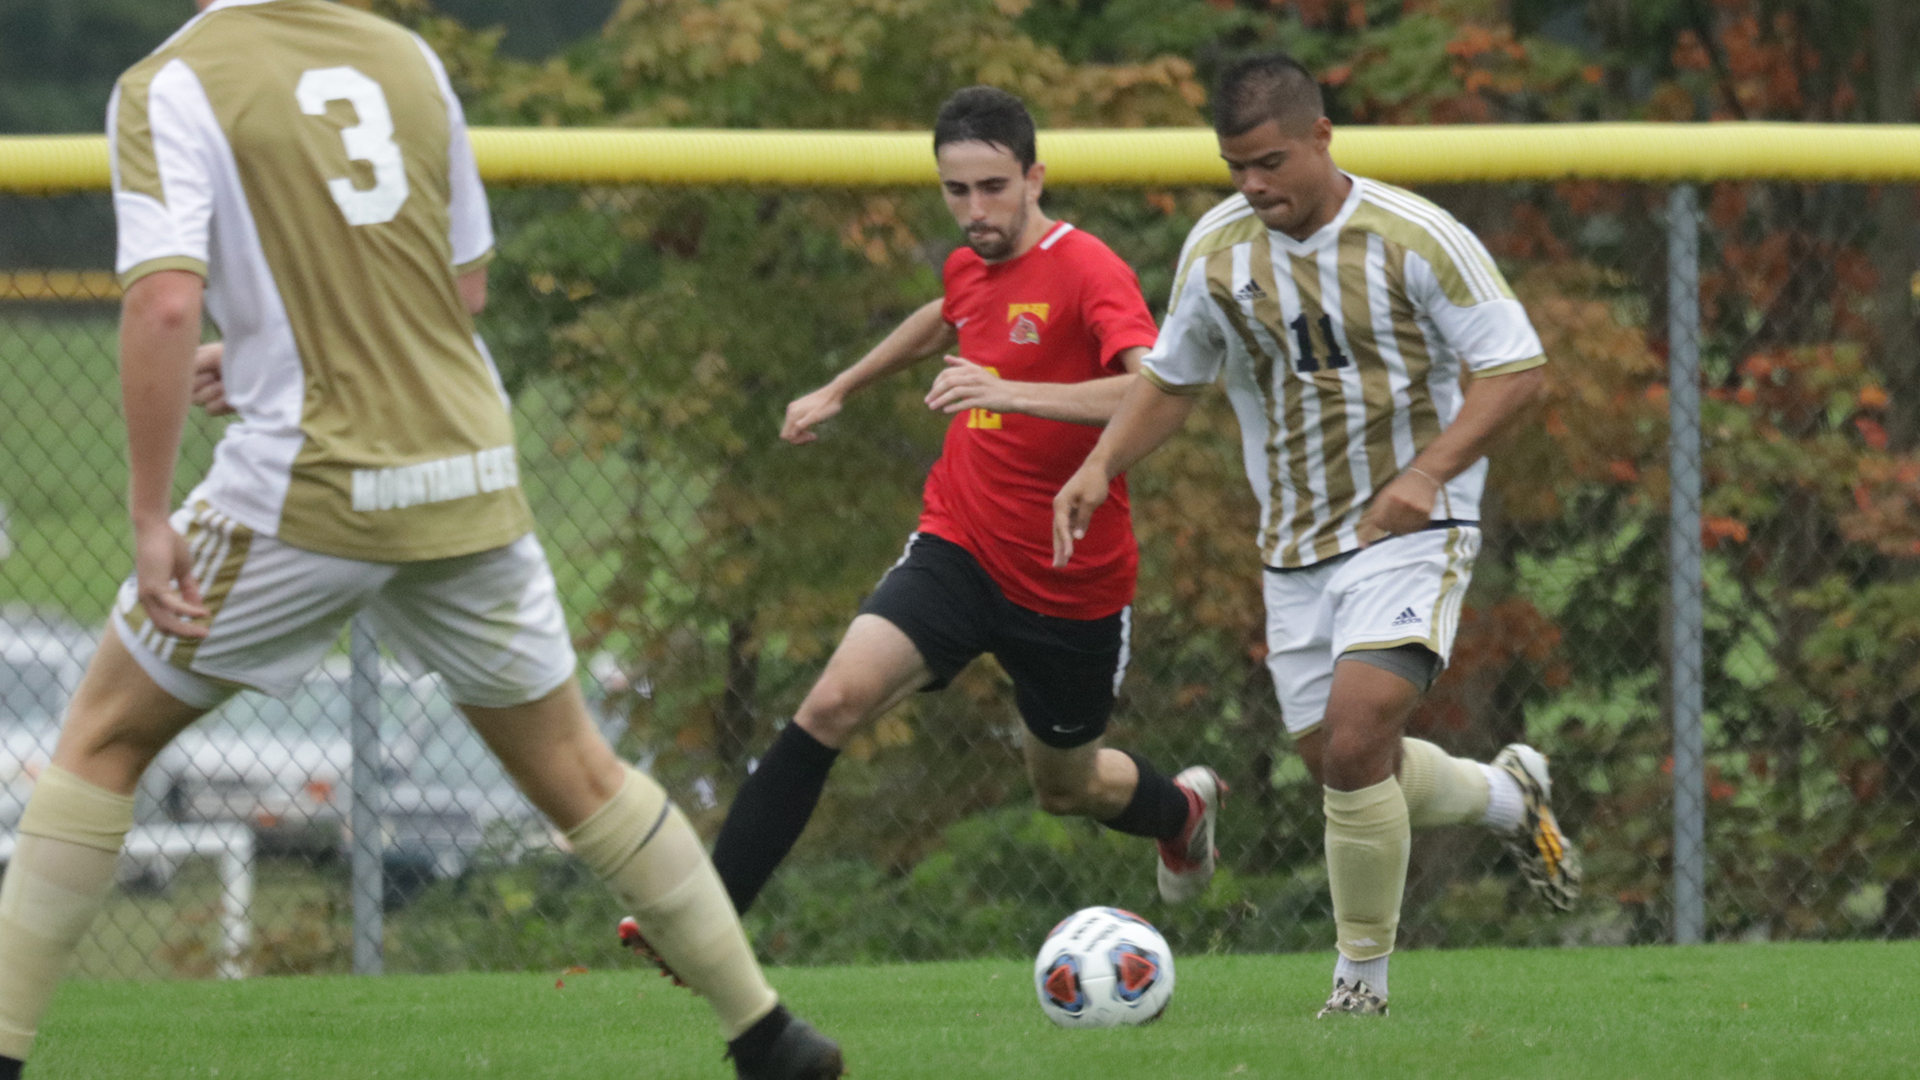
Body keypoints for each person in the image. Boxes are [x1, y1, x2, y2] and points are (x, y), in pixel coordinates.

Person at [0, 3, 841, 1077]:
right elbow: (461, 290)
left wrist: (149, 514)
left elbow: (165, 306)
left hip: (315, 481)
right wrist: (263, 353)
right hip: (467, 471)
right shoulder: (405, 56)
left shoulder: (172, 79)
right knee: (581, 770)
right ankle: (765, 1031)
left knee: (102, 739)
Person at [1053, 54, 1581, 1019]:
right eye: (1236, 168)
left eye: (1270, 163)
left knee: (1356, 738)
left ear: (1322, 137)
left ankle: (1359, 989)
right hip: (1294, 543)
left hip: (1414, 524)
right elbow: (1173, 380)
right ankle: (1509, 797)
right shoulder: (1219, 250)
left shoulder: (1416, 237)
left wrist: (1425, 475)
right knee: (1344, 762)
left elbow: (1517, 372)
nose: (1253, 186)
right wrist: (1101, 464)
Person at [704, 87, 1225, 920]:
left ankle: (1180, 813)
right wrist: (840, 386)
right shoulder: (968, 263)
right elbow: (946, 315)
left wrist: (1010, 391)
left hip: (1069, 577)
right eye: (957, 190)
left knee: (1067, 787)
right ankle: (705, 919)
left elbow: (1154, 389)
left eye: (993, 187)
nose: (975, 210)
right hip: (960, 548)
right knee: (833, 702)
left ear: (1034, 178)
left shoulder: (1088, 268)